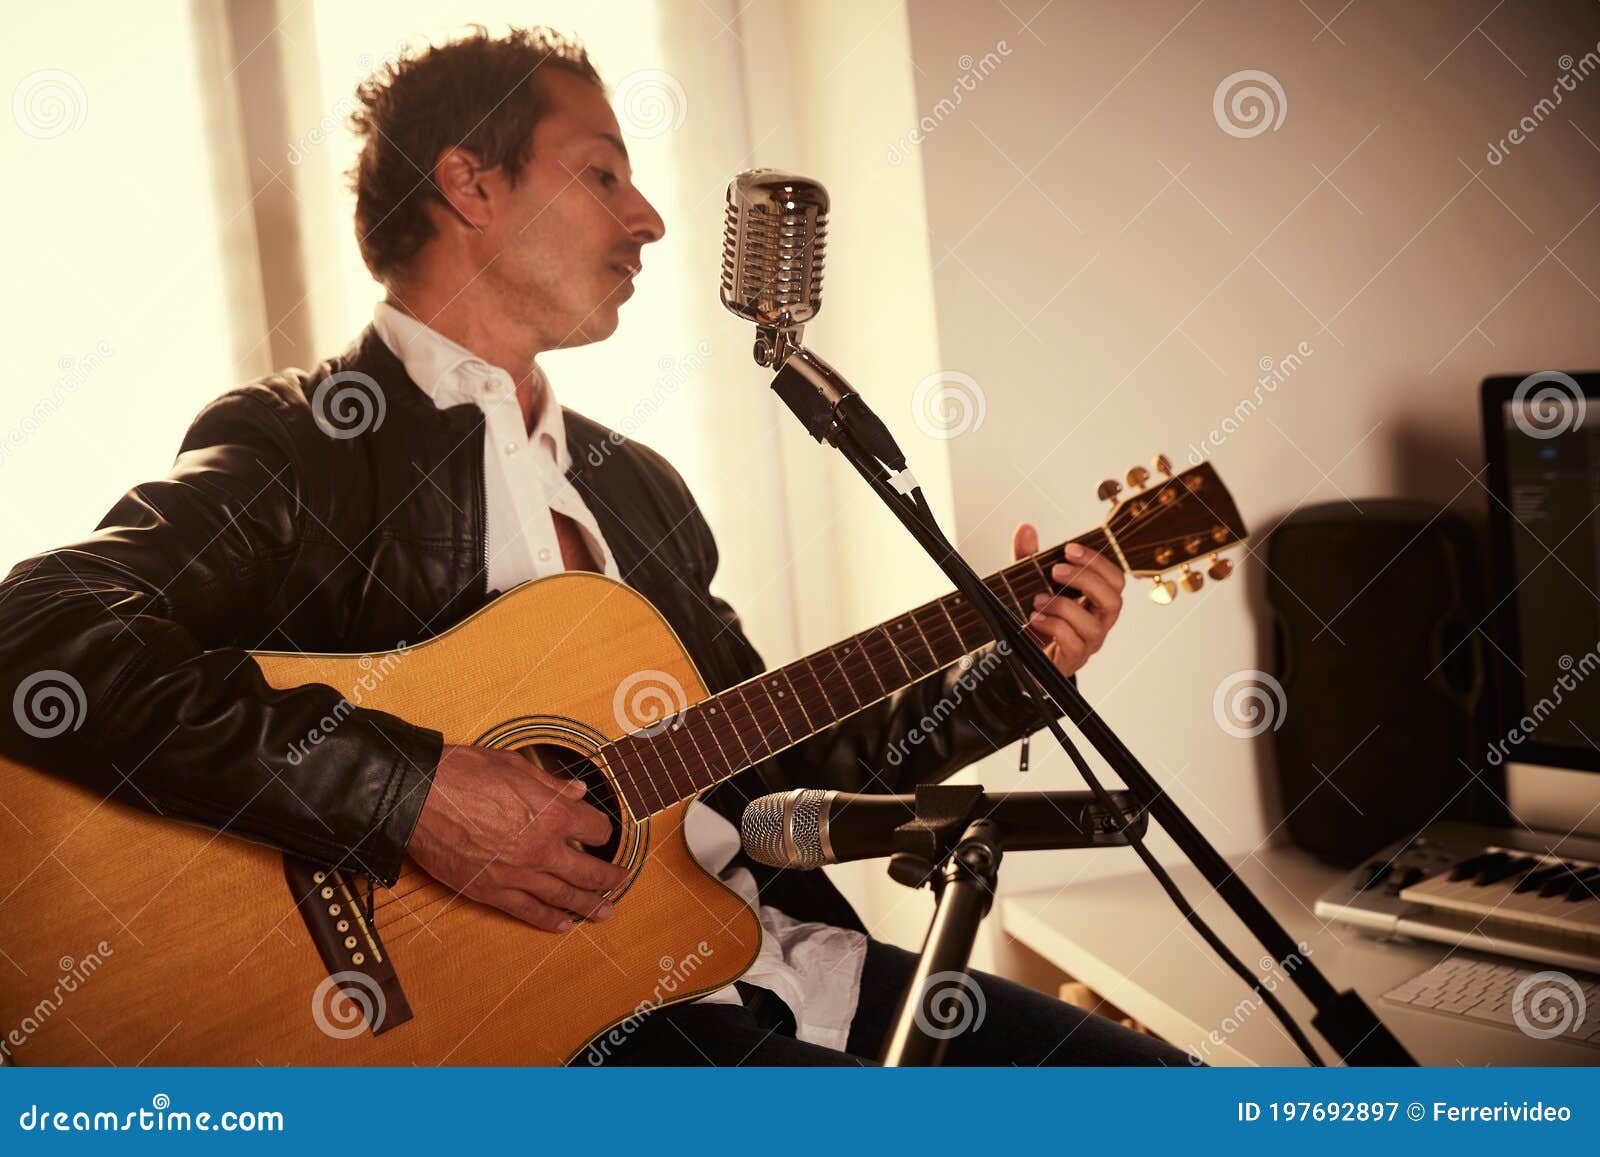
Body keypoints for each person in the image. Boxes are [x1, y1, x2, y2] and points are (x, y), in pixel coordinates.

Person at [0, 26, 1184, 1067]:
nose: (649, 218)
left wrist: (1003, 676)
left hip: (768, 959)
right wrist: (411, 793)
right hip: (554, 1032)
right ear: (470, 182)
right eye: (603, 172)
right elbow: (36, 635)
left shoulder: (635, 488)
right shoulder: (305, 449)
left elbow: (770, 771)